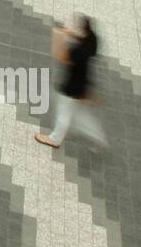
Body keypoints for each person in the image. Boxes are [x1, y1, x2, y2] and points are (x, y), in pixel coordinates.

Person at [34, 16, 106, 152]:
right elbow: (81, 39)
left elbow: (61, 57)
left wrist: (58, 36)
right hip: (82, 85)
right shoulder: (92, 40)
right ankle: (99, 140)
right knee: (80, 116)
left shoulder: (77, 51)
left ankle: (55, 139)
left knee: (64, 112)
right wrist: (68, 32)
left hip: (72, 86)